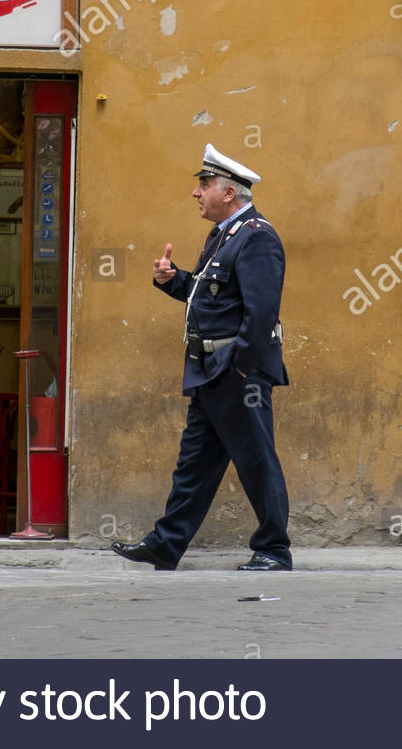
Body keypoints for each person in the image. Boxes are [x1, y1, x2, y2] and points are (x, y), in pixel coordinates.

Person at [112, 143, 291, 572]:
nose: (197, 193)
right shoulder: (225, 235)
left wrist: (241, 368)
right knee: (195, 463)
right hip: (210, 372)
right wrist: (173, 281)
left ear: (229, 193)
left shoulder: (257, 238)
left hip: (235, 373)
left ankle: (274, 549)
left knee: (256, 460)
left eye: (204, 184)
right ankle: (166, 543)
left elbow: (260, 313)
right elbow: (210, 298)